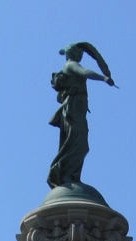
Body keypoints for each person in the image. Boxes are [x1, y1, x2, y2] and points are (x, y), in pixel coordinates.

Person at [47, 42, 115, 189]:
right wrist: (103, 78)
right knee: (78, 142)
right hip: (72, 109)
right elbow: (85, 72)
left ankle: (71, 175)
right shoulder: (71, 65)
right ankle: (64, 174)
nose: (81, 56)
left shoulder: (71, 65)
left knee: (77, 142)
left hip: (77, 108)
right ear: (72, 54)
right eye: (79, 54)